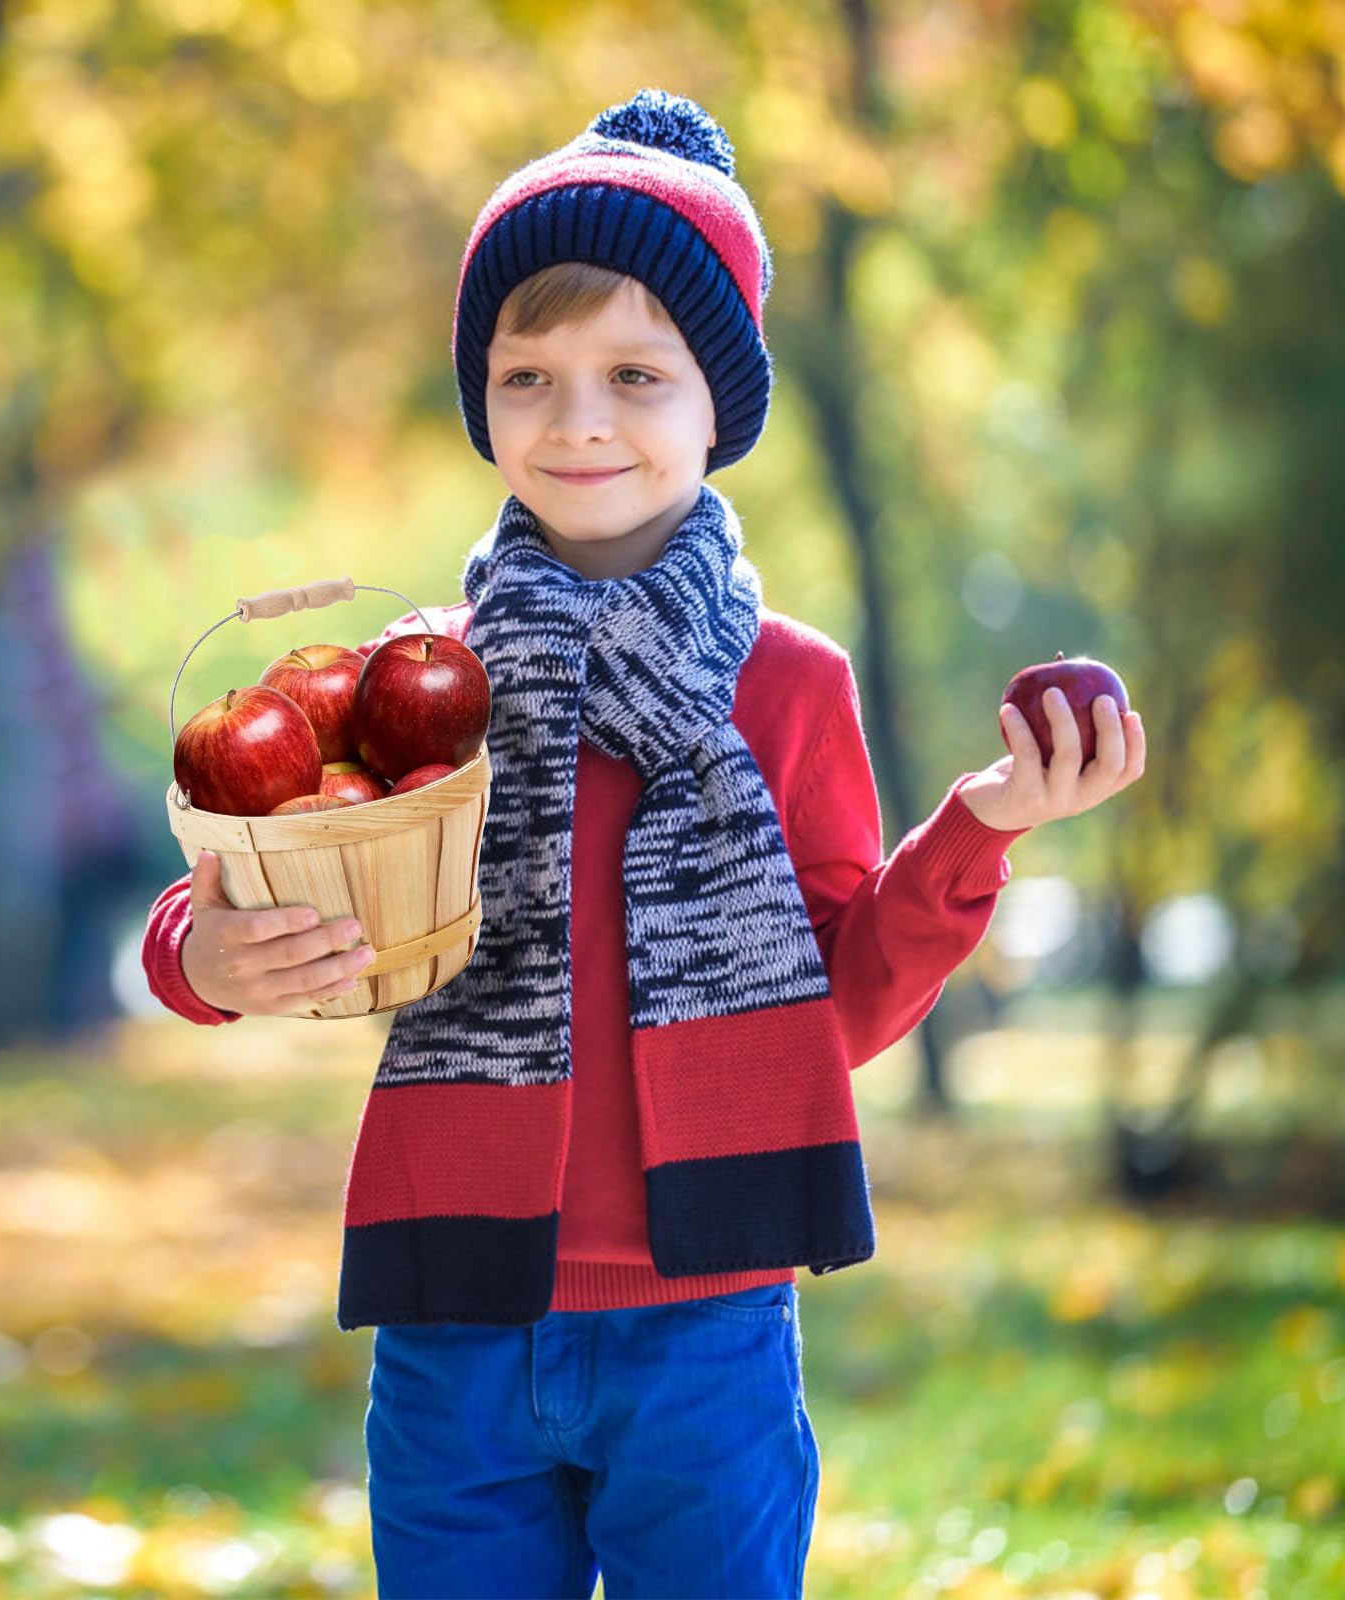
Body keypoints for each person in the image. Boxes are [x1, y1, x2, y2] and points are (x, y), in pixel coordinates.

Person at [141, 88, 1146, 1600]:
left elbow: (841, 1008)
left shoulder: (787, 686)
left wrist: (979, 829)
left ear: (718, 402)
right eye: (527, 374)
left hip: (707, 1320)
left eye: (636, 373)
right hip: (455, 1307)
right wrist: (203, 956)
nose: (580, 418)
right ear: (481, 396)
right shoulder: (427, 679)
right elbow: (246, 877)